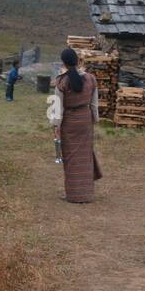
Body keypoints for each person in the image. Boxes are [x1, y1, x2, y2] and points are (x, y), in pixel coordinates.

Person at [51, 47, 102, 203]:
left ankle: (73, 195)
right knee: (85, 157)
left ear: (63, 63)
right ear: (78, 61)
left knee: (71, 157)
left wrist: (55, 126)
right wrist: (94, 120)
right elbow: (94, 104)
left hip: (69, 122)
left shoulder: (61, 81)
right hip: (85, 120)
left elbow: (57, 109)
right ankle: (86, 194)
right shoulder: (91, 79)